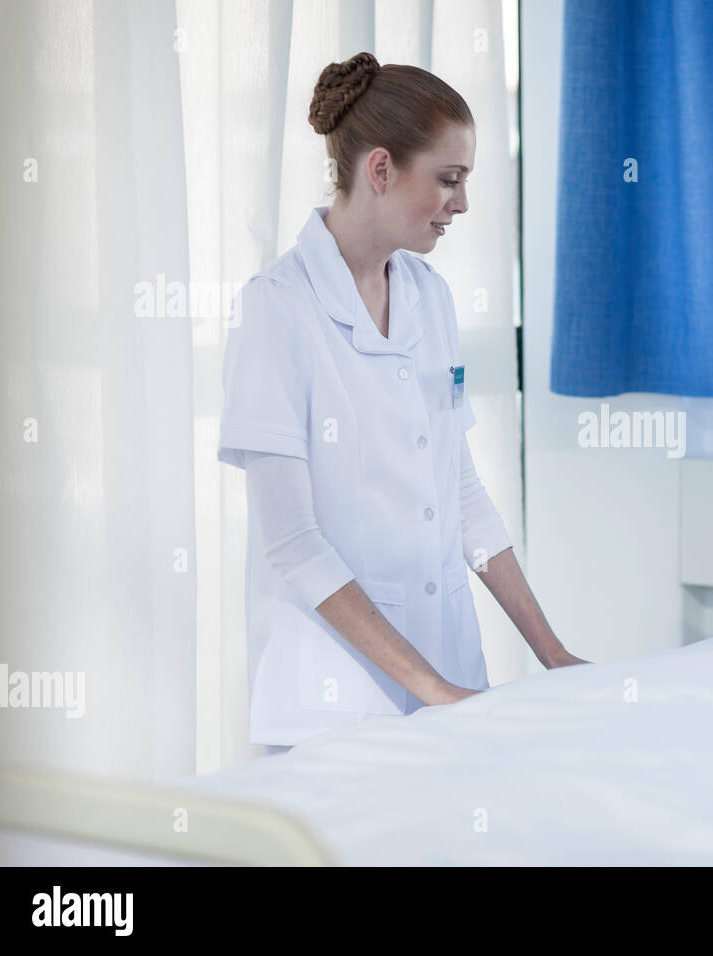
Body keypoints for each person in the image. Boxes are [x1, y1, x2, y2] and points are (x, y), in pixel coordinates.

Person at [218, 52, 584, 751]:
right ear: (380, 169)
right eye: (448, 180)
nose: (464, 204)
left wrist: (552, 653)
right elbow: (294, 545)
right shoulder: (278, 310)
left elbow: (463, 494)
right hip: (331, 698)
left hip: (444, 674)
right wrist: (435, 691)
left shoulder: (429, 296)